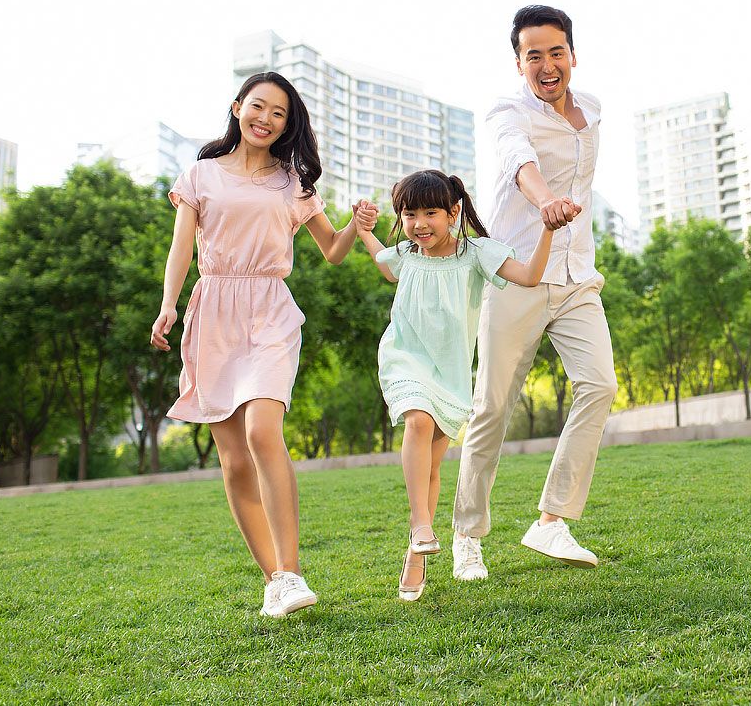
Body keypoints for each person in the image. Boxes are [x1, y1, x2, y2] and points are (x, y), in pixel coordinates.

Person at [150, 72, 375, 618]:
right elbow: (182, 248)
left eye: (278, 113)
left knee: (262, 431)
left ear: (286, 124)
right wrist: (168, 305)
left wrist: (356, 225)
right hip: (214, 313)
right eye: (258, 107)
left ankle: (292, 571)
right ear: (237, 107)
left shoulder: (292, 181)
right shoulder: (200, 174)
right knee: (233, 462)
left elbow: (332, 251)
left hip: (271, 309)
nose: (266, 119)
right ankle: (274, 579)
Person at [452, 5, 619, 580]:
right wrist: (544, 199)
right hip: (518, 274)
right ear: (518, 62)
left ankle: (551, 520)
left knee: (600, 385)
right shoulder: (507, 111)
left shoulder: (592, 111)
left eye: (556, 52)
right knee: (492, 407)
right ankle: (467, 536)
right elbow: (518, 161)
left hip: (576, 277)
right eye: (533, 56)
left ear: (573, 54)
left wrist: (566, 212)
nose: (546, 66)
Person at [355, 169, 564, 601]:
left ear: (453, 211)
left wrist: (547, 232)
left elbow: (527, 276)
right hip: (404, 358)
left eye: (430, 212)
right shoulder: (408, 254)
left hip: (449, 374)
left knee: (432, 466)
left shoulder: (474, 254)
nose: (419, 224)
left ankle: (416, 555)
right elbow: (385, 265)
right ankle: (420, 526)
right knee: (416, 423)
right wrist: (363, 231)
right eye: (409, 214)